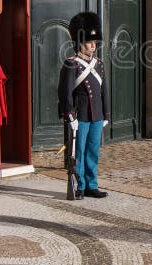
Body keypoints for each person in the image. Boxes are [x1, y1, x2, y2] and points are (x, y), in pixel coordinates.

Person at [58, 11, 111, 200]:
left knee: (92, 151)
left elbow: (104, 90)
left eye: (95, 42)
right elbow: (65, 93)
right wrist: (70, 115)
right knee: (78, 152)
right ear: (80, 42)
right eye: (90, 42)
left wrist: (106, 114)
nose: (93, 46)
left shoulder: (100, 64)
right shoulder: (72, 64)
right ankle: (79, 186)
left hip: (96, 116)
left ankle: (91, 185)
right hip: (80, 117)